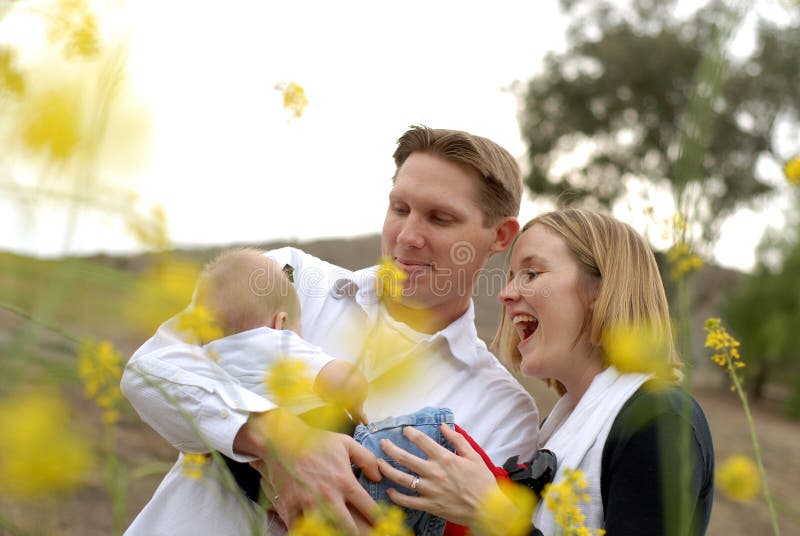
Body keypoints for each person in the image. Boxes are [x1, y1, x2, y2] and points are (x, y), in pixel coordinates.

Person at [121, 126, 541, 534]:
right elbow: (152, 370)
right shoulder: (286, 278)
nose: (408, 237)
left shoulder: (505, 412)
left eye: (440, 218)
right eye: (399, 209)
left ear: (500, 235)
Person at [376, 208, 714, 535]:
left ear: (601, 289)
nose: (505, 294)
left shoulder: (661, 419)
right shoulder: (554, 430)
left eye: (532, 274)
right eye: (510, 278)